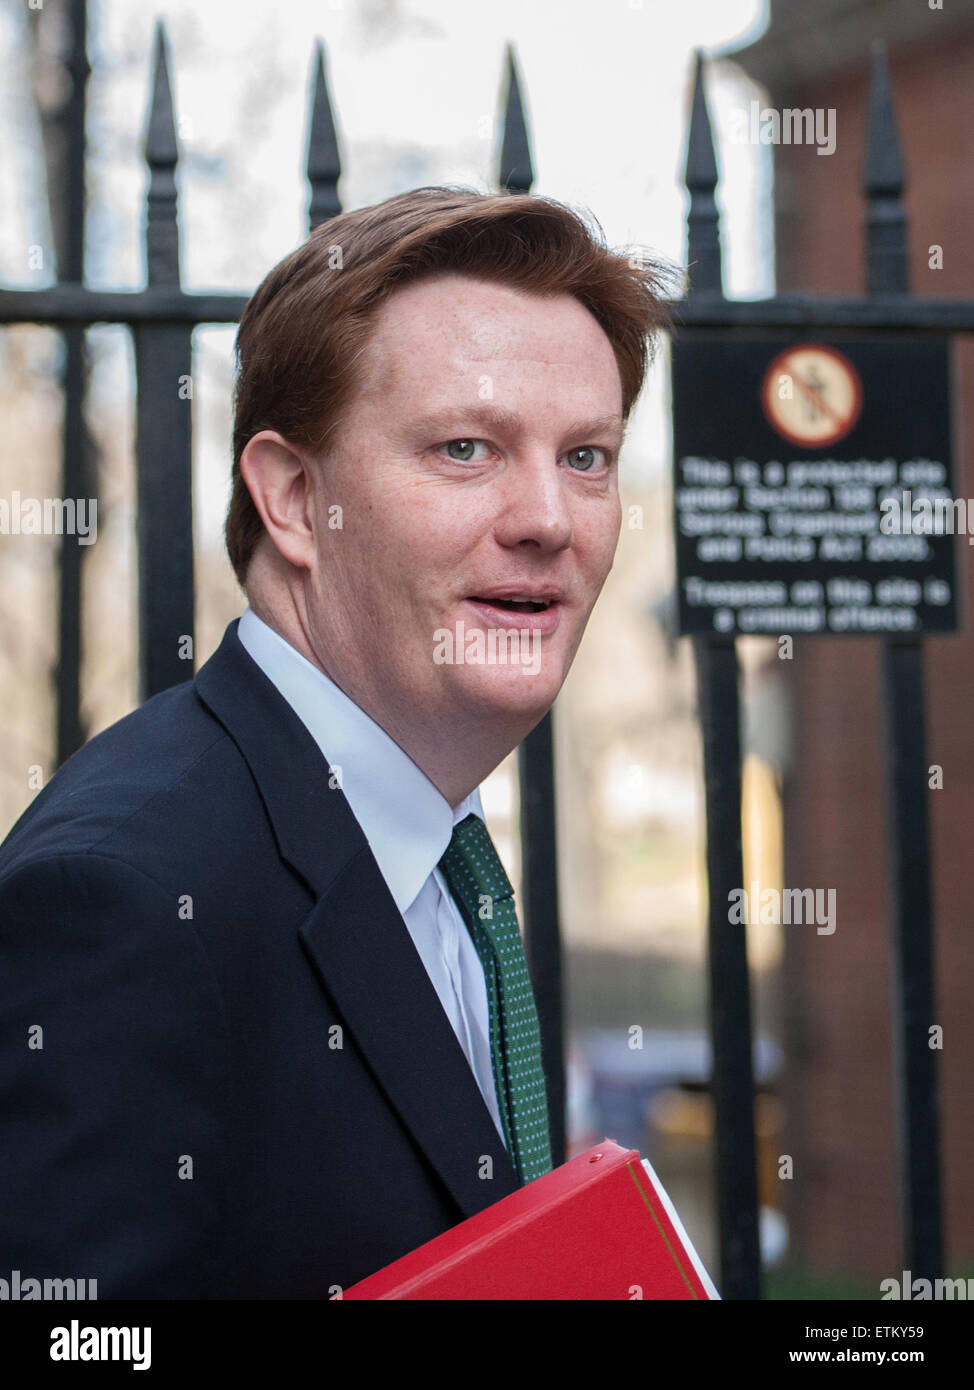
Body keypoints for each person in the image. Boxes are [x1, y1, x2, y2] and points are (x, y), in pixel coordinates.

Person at [0, 186, 670, 1298]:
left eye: (587, 456)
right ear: (295, 499)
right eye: (466, 448)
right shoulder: (120, 898)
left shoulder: (440, 854)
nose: (549, 517)